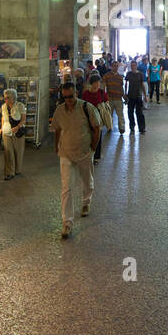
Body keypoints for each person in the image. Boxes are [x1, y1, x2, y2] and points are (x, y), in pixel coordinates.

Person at [50, 82, 100, 239]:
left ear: (76, 94)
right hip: (66, 153)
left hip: (84, 152)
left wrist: (93, 147)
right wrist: (56, 146)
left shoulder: (87, 108)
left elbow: (97, 127)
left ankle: (86, 202)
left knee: (87, 180)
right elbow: (57, 129)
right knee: (66, 187)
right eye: (65, 97)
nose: (68, 100)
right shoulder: (59, 110)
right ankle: (67, 222)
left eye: (70, 96)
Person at [81, 73, 109, 162]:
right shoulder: (86, 93)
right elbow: (83, 104)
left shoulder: (101, 92)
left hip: (98, 117)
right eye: (95, 83)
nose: (97, 84)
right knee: (88, 136)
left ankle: (96, 156)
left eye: (99, 82)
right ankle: (89, 154)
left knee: (98, 136)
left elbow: (106, 102)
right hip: (88, 117)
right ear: (91, 83)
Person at [0, 87, 26, 180]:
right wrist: (1, 127)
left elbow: (23, 119)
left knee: (18, 152)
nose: (5, 99)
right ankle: (9, 172)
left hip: (18, 132)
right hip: (6, 131)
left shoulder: (20, 106)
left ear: (13, 97)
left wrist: (17, 127)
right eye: (5, 97)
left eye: (8, 97)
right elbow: (3, 117)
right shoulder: (3, 106)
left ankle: (17, 170)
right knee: (8, 152)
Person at [102, 61, 126, 135]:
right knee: (109, 114)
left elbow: (121, 88)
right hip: (109, 98)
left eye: (116, 66)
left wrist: (124, 96)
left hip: (118, 98)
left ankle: (122, 128)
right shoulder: (106, 76)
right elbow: (103, 87)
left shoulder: (120, 77)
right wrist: (104, 97)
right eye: (114, 66)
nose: (115, 67)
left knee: (120, 114)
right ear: (111, 66)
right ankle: (109, 126)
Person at [125, 61, 147, 135]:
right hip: (130, 95)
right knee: (130, 112)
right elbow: (126, 83)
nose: (133, 67)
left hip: (138, 95)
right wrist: (125, 93)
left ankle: (142, 128)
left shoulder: (140, 74)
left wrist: (145, 95)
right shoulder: (129, 74)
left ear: (136, 66)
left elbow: (142, 85)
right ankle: (132, 127)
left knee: (139, 112)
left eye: (134, 65)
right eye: (132, 65)